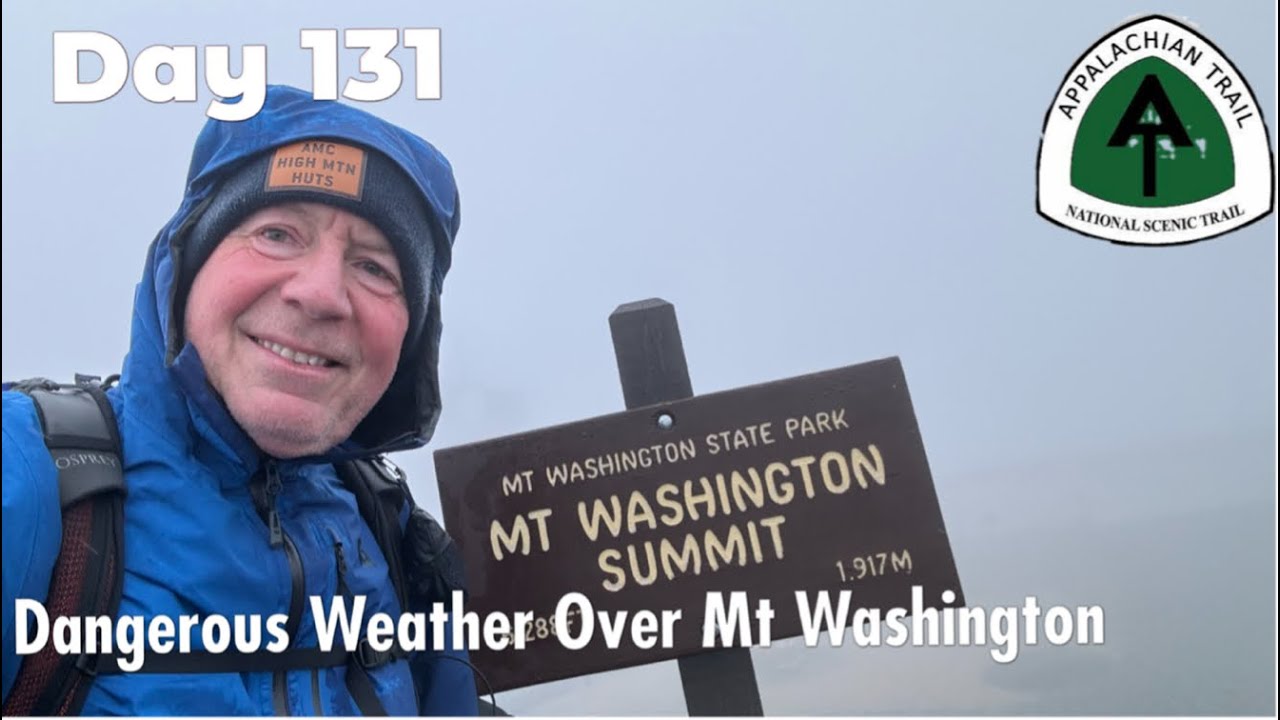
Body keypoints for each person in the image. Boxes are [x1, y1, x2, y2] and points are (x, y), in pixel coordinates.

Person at [1, 84, 478, 715]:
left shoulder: (385, 527)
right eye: (278, 233)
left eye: (375, 268)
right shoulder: (28, 480)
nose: (321, 294)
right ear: (189, 267)